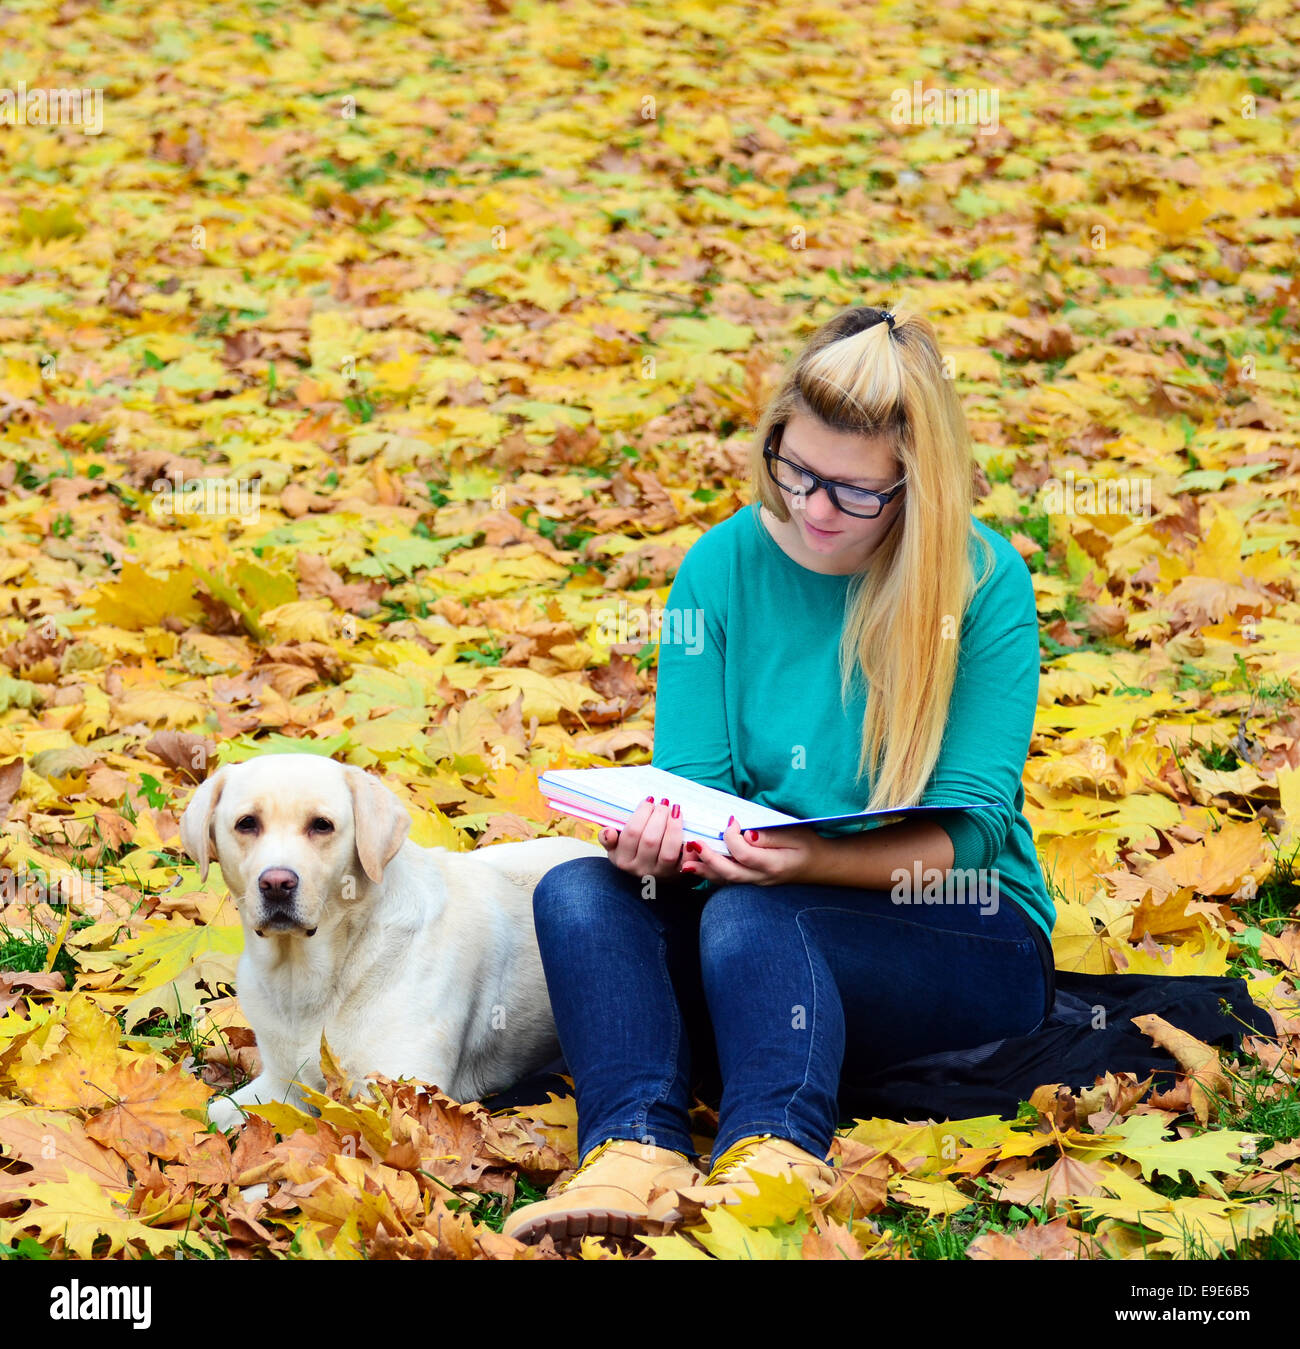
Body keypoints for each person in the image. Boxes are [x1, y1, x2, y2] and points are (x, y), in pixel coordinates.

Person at [502, 304, 1057, 1251]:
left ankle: (776, 1154)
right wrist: (660, 844)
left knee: (761, 914)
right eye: (792, 470)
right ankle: (632, 1149)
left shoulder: (980, 583)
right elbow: (696, 788)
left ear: (915, 489)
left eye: (852, 492)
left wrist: (797, 861)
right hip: (750, 908)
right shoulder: (720, 565)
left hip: (961, 928)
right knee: (580, 892)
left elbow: (969, 835)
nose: (811, 508)